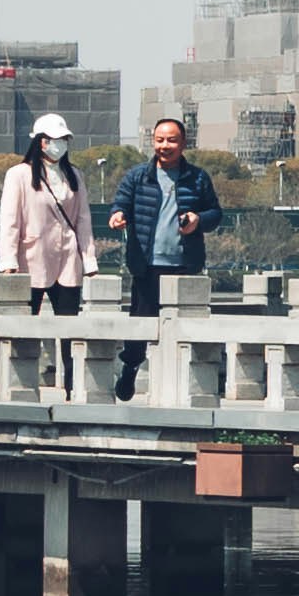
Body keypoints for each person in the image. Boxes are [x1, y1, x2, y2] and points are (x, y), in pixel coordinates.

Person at [113, 109, 221, 390]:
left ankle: (188, 382)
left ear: (183, 143)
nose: (165, 146)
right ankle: (130, 368)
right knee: (140, 323)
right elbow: (121, 203)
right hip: (147, 264)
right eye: (160, 140)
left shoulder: (197, 178)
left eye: (171, 140)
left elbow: (215, 214)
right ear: (153, 141)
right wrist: (118, 216)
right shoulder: (138, 176)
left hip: (184, 264)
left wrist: (198, 220)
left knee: (187, 328)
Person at [0, 111, 91, 321]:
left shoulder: (75, 175)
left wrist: (89, 260)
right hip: (31, 260)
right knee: (24, 325)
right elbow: (10, 222)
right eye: (56, 140)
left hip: (68, 258)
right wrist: (8, 261)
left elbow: (83, 220)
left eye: (64, 140)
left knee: (69, 324)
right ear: (42, 142)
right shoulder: (19, 174)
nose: (61, 144)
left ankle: (67, 356)